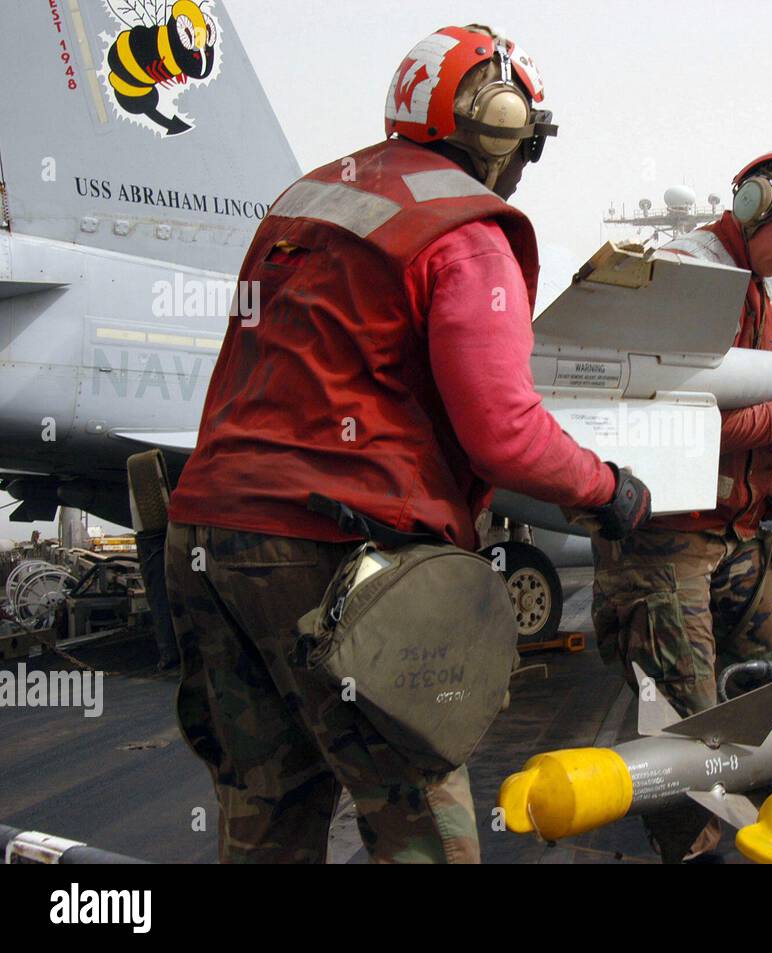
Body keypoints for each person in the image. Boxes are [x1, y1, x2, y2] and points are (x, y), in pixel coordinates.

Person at [163, 25, 651, 864]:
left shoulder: (307, 200)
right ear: (501, 131)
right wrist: (608, 490)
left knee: (266, 807)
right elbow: (505, 433)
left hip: (206, 533)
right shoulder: (462, 229)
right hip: (335, 550)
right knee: (418, 809)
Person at [589, 148, 772, 861]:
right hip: (664, 543)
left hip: (738, 537)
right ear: (753, 206)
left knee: (755, 712)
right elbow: (674, 425)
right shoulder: (688, 275)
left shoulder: (771, 291)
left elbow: (762, 402)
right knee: (689, 737)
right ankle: (693, 852)